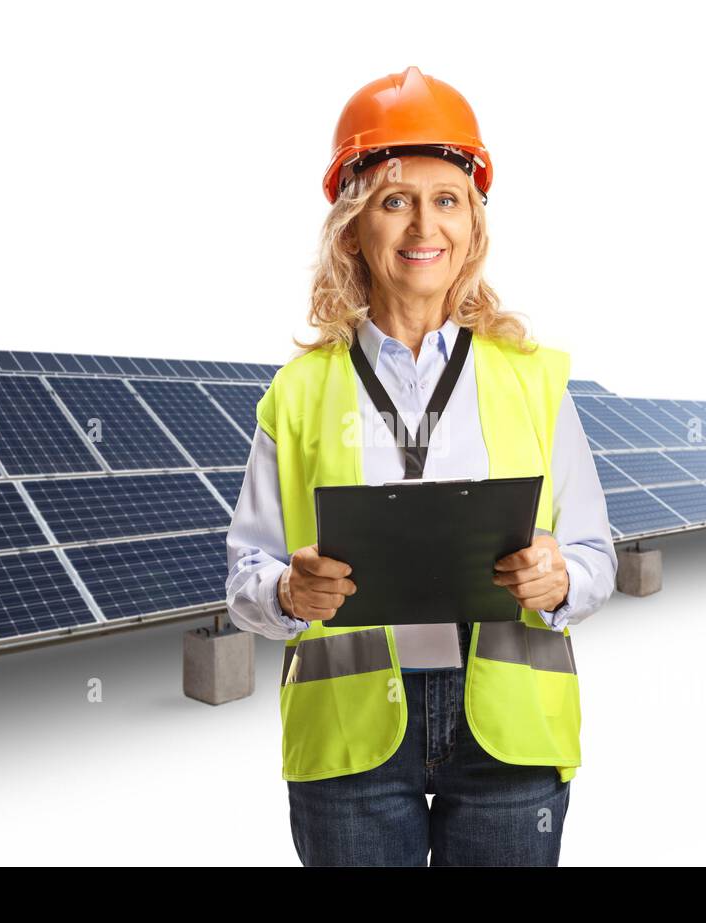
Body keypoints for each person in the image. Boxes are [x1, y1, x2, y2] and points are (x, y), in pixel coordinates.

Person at [225, 66, 617, 866]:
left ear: (472, 226)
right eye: (394, 201)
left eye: (446, 201)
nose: (421, 227)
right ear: (351, 227)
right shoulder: (298, 395)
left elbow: (597, 557)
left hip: (509, 734)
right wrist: (287, 593)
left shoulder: (531, 378)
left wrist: (561, 580)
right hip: (350, 744)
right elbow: (244, 578)